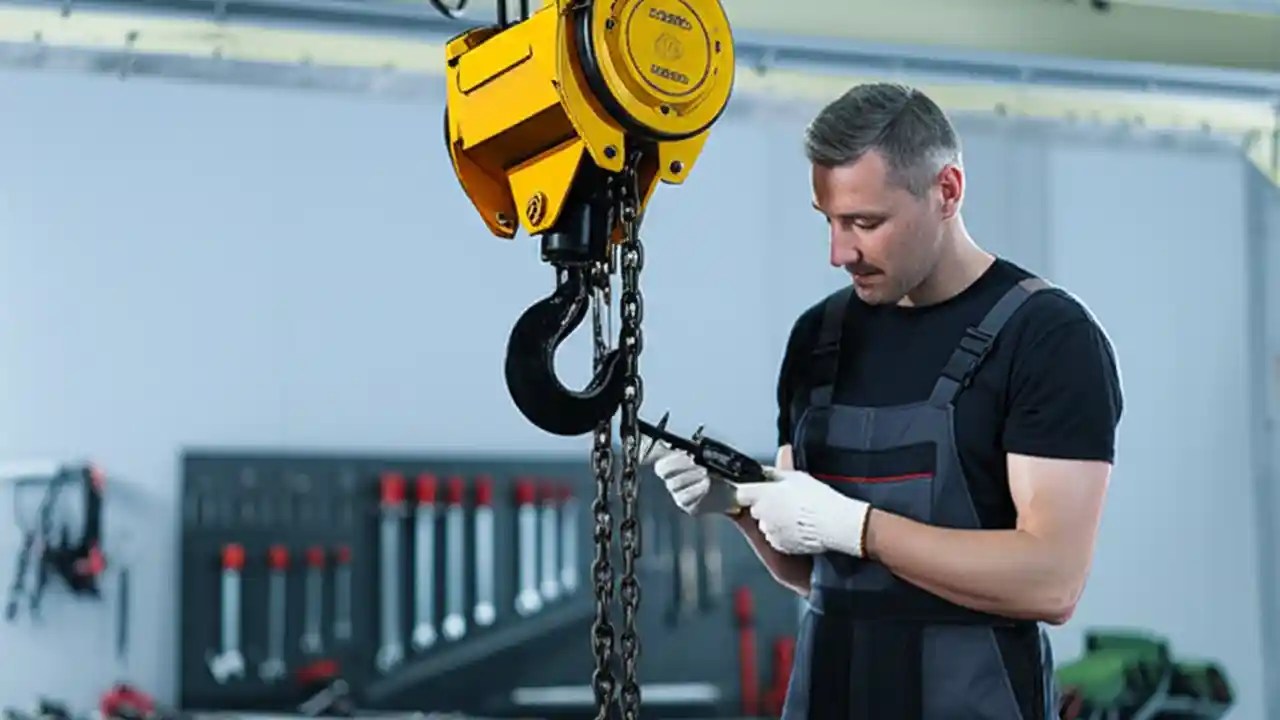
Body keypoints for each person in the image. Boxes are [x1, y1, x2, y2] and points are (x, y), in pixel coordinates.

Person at [646, 83, 1123, 719]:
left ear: (947, 191)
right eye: (830, 221)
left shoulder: (1046, 338)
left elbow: (1052, 581)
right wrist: (740, 505)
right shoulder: (817, 339)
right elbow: (816, 572)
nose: (840, 253)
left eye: (865, 223)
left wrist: (858, 527)